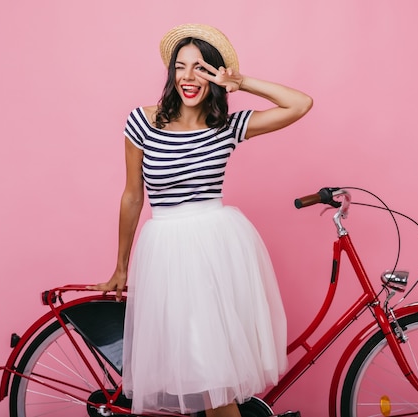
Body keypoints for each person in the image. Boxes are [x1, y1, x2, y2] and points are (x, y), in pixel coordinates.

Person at [88, 23, 312, 417]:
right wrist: (121, 265)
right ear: (171, 72)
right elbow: (132, 196)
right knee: (195, 368)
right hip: (167, 251)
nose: (189, 77)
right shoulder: (143, 121)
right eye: (181, 67)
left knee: (212, 373)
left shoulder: (225, 126)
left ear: (215, 74)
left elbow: (300, 104)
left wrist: (240, 82)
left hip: (215, 251)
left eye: (201, 68)